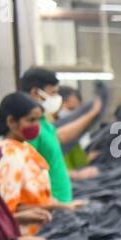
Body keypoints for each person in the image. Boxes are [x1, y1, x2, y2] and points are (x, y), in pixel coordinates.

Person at [0, 93, 77, 219]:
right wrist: (56, 207)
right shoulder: (9, 155)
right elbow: (9, 207)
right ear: (11, 121)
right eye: (31, 120)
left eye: (38, 120)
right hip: (28, 232)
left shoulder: (24, 148)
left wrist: (59, 205)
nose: (36, 126)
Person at [19, 67, 100, 203]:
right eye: (53, 93)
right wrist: (76, 175)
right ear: (35, 92)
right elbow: (29, 172)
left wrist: (92, 114)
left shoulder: (43, 122)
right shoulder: (29, 128)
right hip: (49, 207)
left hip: (59, 205)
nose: (57, 99)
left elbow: (60, 136)